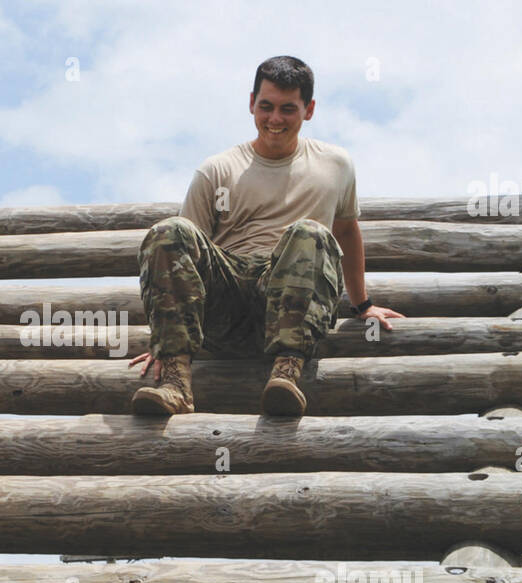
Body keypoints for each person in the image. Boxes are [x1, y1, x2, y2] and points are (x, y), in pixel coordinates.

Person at [130, 55, 404, 417]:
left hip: (291, 305)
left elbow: (346, 230)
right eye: (266, 107)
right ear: (251, 104)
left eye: (288, 109)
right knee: (169, 231)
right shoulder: (217, 170)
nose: (275, 119)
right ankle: (176, 384)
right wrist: (166, 338)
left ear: (309, 110)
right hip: (227, 309)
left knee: (309, 232)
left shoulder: (335, 165)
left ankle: (286, 376)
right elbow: (183, 255)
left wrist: (362, 304)